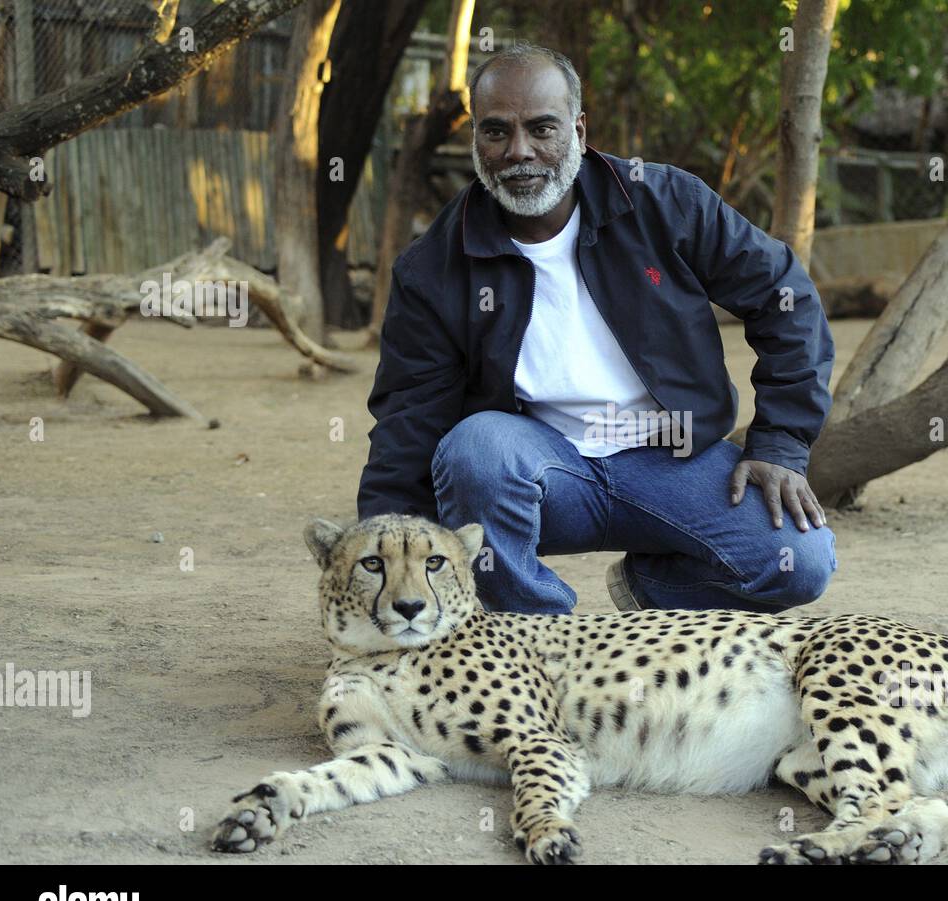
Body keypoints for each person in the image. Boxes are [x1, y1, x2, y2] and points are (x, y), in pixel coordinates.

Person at [358, 42, 837, 615]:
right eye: (495, 132)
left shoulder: (663, 202)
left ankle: (650, 590)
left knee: (798, 562)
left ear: (579, 130)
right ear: (475, 139)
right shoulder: (433, 267)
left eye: (542, 128)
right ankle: (535, 634)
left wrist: (781, 441)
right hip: (540, 472)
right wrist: (382, 554)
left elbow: (785, 296)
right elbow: (407, 420)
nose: (520, 151)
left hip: (673, 458)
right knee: (477, 448)